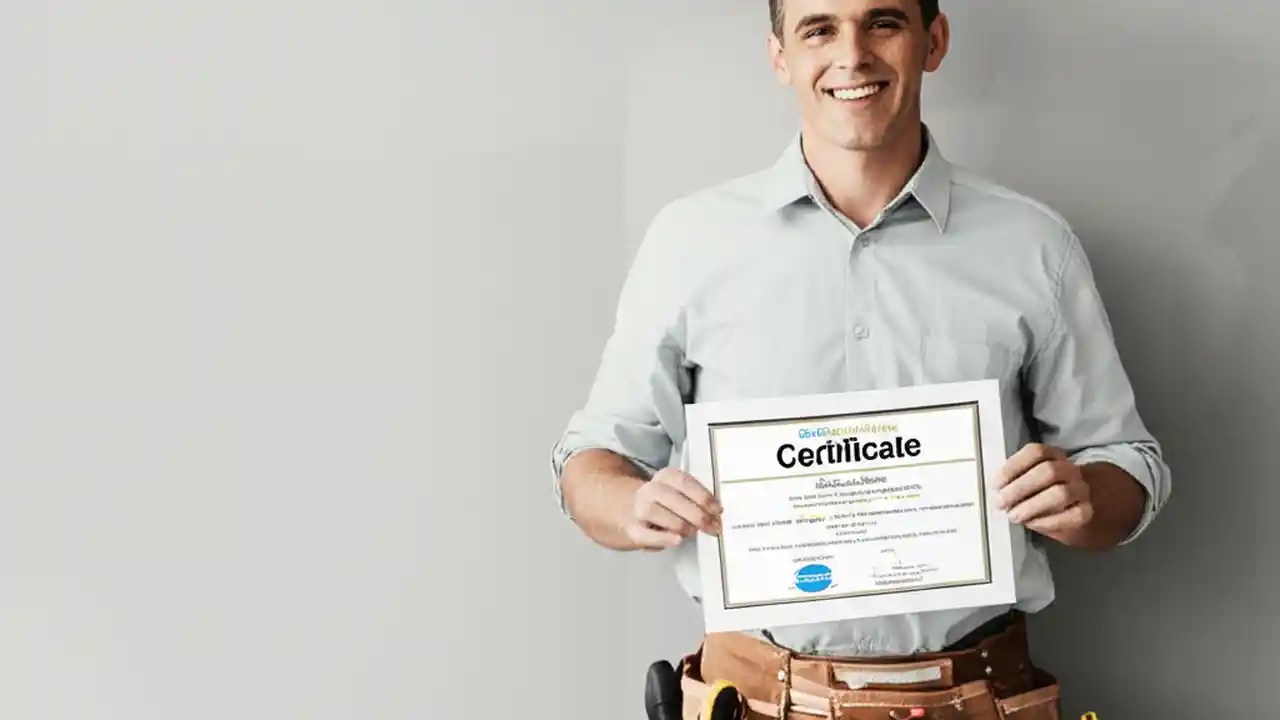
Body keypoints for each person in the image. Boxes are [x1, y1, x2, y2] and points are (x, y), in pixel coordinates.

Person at [549, 0, 1172, 717]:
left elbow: (1130, 463)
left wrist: (1087, 499)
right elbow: (588, 459)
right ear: (780, 56)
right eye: (819, 28)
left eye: (883, 22)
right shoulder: (689, 243)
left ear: (932, 42)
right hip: (751, 700)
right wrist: (630, 503)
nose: (853, 55)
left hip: (980, 698)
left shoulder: (1034, 245)